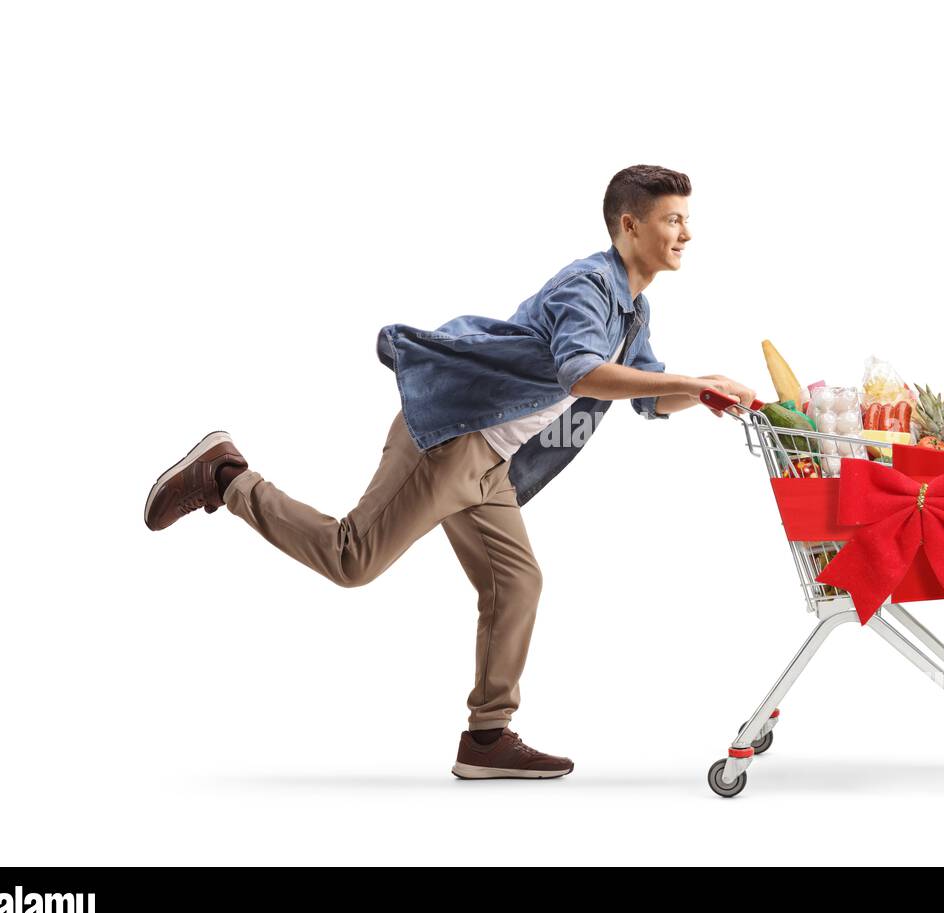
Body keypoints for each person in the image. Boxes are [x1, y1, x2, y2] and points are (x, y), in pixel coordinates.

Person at [144, 165, 756, 780]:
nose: (686, 234)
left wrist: (703, 395)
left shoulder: (631, 311)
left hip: (490, 461)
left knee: (516, 583)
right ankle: (226, 477)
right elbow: (580, 372)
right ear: (631, 225)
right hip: (454, 439)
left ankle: (487, 739)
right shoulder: (590, 286)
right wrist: (690, 382)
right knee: (351, 559)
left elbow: (647, 397)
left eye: (685, 220)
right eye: (673, 219)